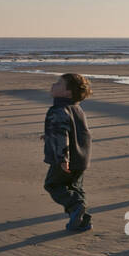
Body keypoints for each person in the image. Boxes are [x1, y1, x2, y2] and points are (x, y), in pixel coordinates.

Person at [43, 73, 93, 233]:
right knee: (75, 187)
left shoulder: (58, 109)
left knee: (53, 184)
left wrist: (62, 157)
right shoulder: (77, 109)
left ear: (68, 92)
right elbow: (76, 132)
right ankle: (82, 221)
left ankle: (76, 206)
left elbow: (62, 133)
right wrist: (48, 134)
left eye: (59, 83)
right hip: (82, 158)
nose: (53, 85)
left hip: (65, 159)